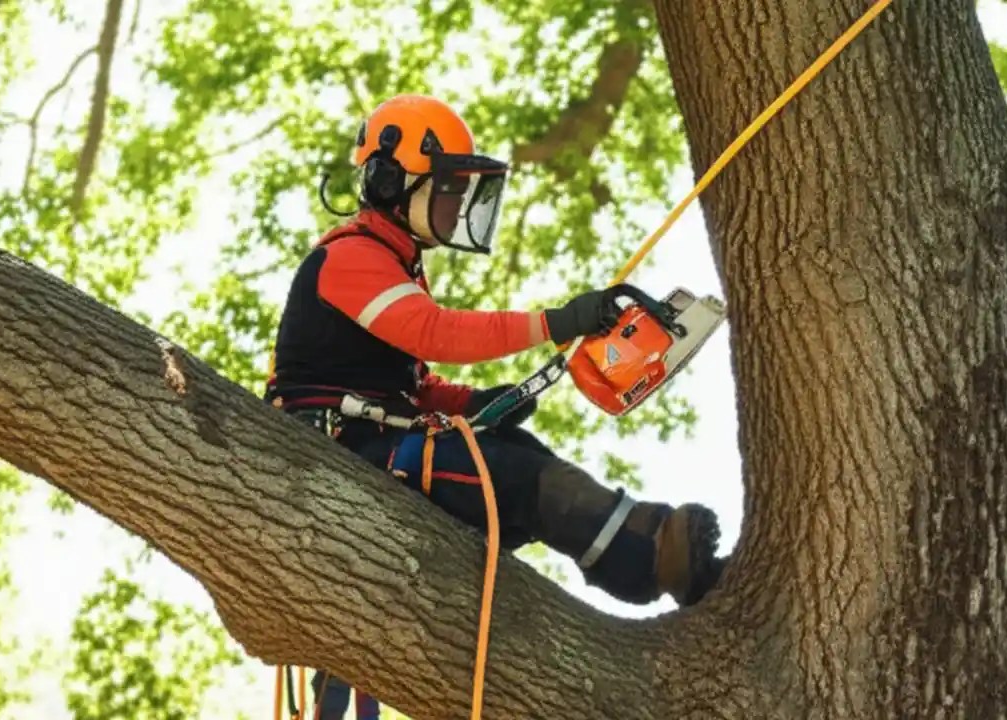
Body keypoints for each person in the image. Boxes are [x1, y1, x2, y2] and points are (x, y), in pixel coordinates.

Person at [264, 94, 723, 719]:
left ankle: (645, 554)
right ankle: (645, 553)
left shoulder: (396, 266)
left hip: (370, 445)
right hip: (333, 459)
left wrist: (482, 403)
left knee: (515, 458)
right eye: (447, 189)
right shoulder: (347, 259)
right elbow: (436, 334)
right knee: (510, 474)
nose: (457, 207)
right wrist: (557, 322)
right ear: (392, 181)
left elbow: (413, 386)